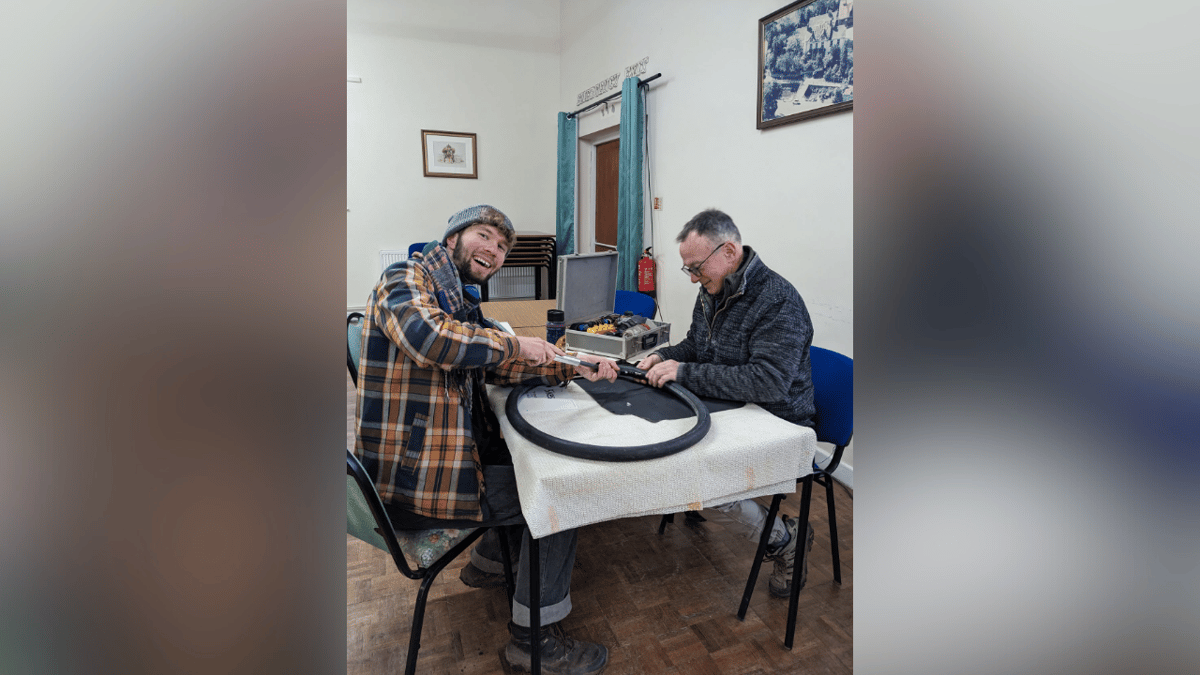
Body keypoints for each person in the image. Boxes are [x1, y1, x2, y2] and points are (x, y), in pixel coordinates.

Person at [353, 204, 618, 674]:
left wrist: (575, 366)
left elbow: (496, 359)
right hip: (415, 487)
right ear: (452, 238)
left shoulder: (457, 300)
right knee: (560, 493)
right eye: (484, 236)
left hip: (419, 472)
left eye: (501, 247)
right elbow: (433, 339)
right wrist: (517, 343)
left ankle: (490, 561)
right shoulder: (404, 279)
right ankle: (533, 642)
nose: (493, 251)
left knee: (512, 458)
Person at [635, 208, 817, 598]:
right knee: (663, 439)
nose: (694, 279)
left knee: (702, 470)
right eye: (688, 270)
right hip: (732, 404)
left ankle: (785, 540)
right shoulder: (714, 287)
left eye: (696, 268)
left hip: (779, 418)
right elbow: (697, 347)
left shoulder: (778, 302)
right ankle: (699, 498)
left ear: (730, 252)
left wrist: (683, 373)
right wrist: (665, 356)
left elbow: (767, 383)